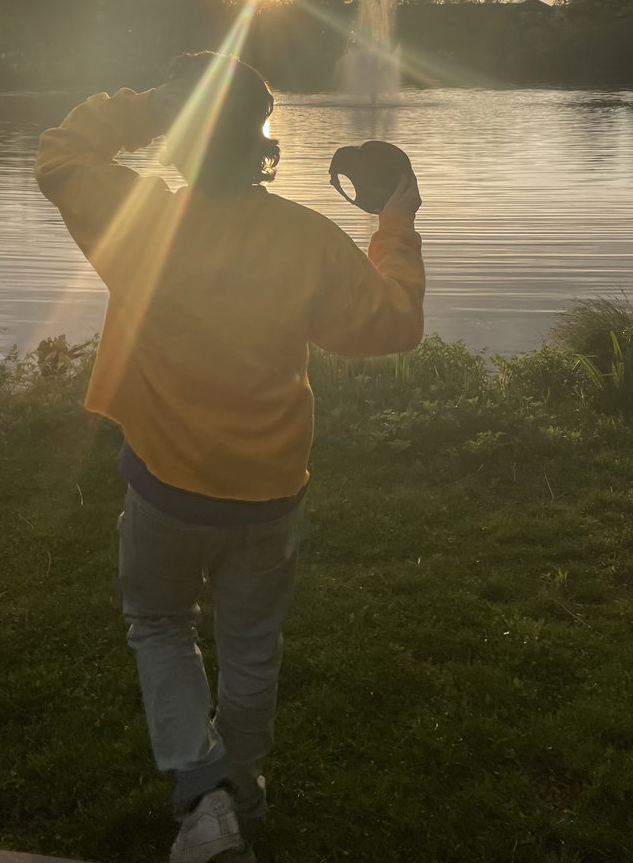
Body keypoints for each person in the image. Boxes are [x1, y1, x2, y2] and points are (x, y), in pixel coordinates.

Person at [35, 51, 425, 863]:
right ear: (261, 138)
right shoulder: (306, 240)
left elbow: (61, 157)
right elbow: (394, 323)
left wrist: (153, 104)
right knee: (251, 646)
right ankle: (238, 797)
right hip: (270, 491)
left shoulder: (139, 222)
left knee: (159, 624)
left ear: (183, 135)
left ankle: (204, 798)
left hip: (164, 487)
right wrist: (395, 221)